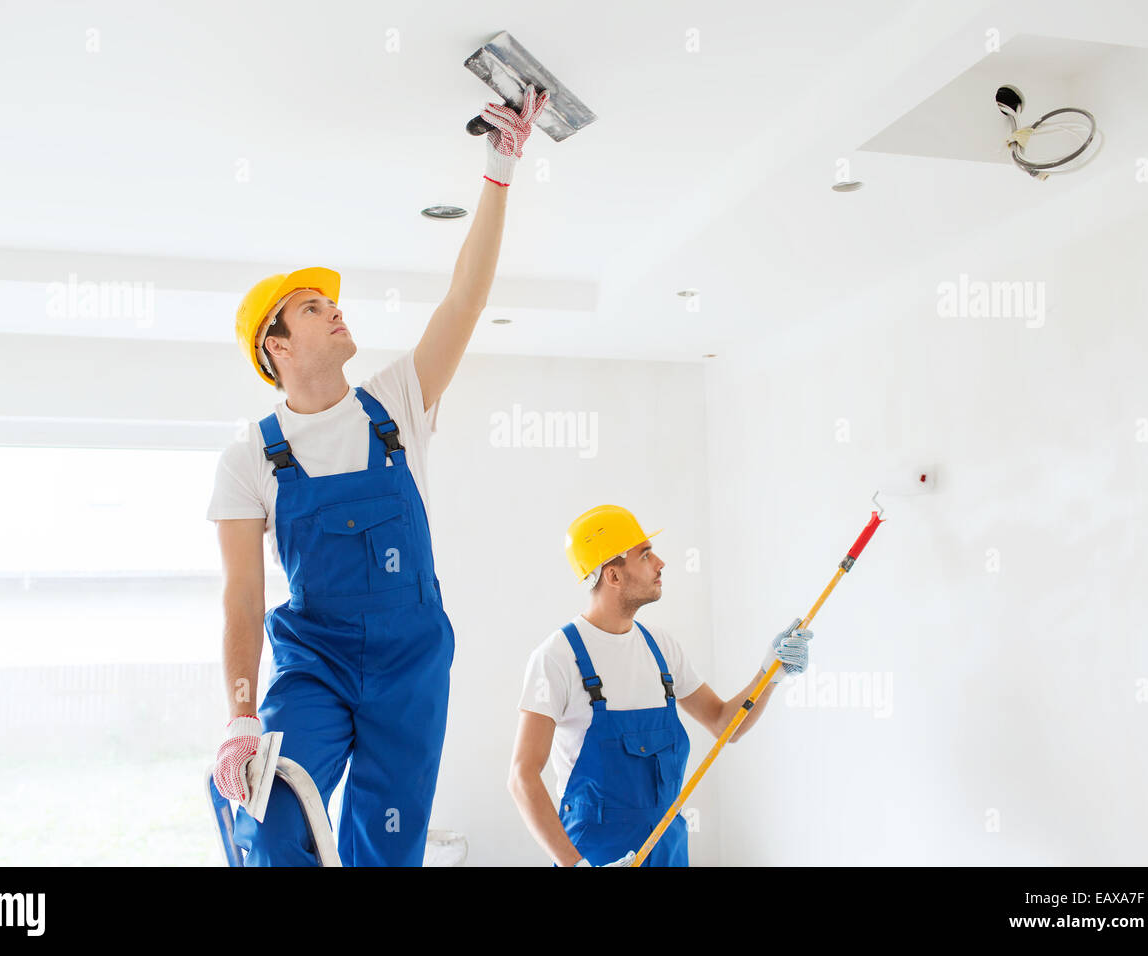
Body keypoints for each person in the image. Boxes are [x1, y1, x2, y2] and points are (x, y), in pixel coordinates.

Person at [207, 88, 550, 866]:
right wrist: (238, 717)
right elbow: (243, 597)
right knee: (269, 819)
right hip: (313, 663)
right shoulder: (249, 460)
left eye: (331, 301)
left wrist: (498, 170)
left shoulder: (396, 404)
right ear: (277, 349)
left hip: (412, 663)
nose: (334, 311)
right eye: (310, 307)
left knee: (386, 849)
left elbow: (467, 296)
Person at [508, 504, 813, 866]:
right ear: (613, 575)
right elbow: (522, 776)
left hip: (670, 853)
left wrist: (769, 673)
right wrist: (576, 866)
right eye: (646, 555)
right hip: (597, 857)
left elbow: (724, 724)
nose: (661, 564)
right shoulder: (556, 658)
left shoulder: (661, 649)